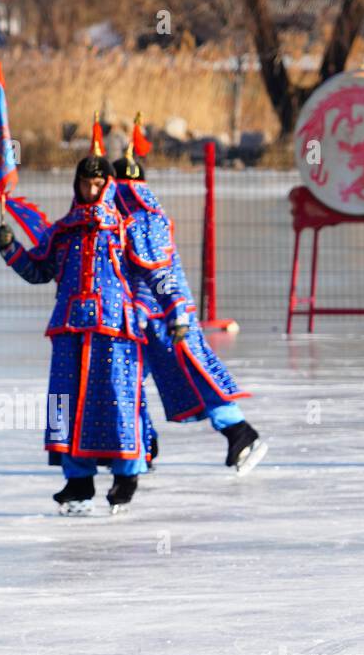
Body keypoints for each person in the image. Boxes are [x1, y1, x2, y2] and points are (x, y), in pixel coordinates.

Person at [0, 154, 176, 514]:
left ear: (108, 185)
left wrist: (175, 312)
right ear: (76, 184)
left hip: (116, 328)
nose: (90, 190)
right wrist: (10, 249)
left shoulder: (126, 228)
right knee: (64, 404)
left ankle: (127, 474)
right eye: (84, 183)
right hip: (68, 327)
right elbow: (38, 271)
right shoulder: (63, 231)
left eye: (98, 184)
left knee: (117, 401)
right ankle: (77, 480)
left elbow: (157, 272)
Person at [112, 149, 267, 475]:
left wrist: (175, 312)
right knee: (128, 383)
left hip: (159, 315)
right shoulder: (130, 216)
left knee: (192, 371)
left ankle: (239, 431)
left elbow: (156, 271)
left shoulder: (142, 217)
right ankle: (142, 445)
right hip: (137, 316)